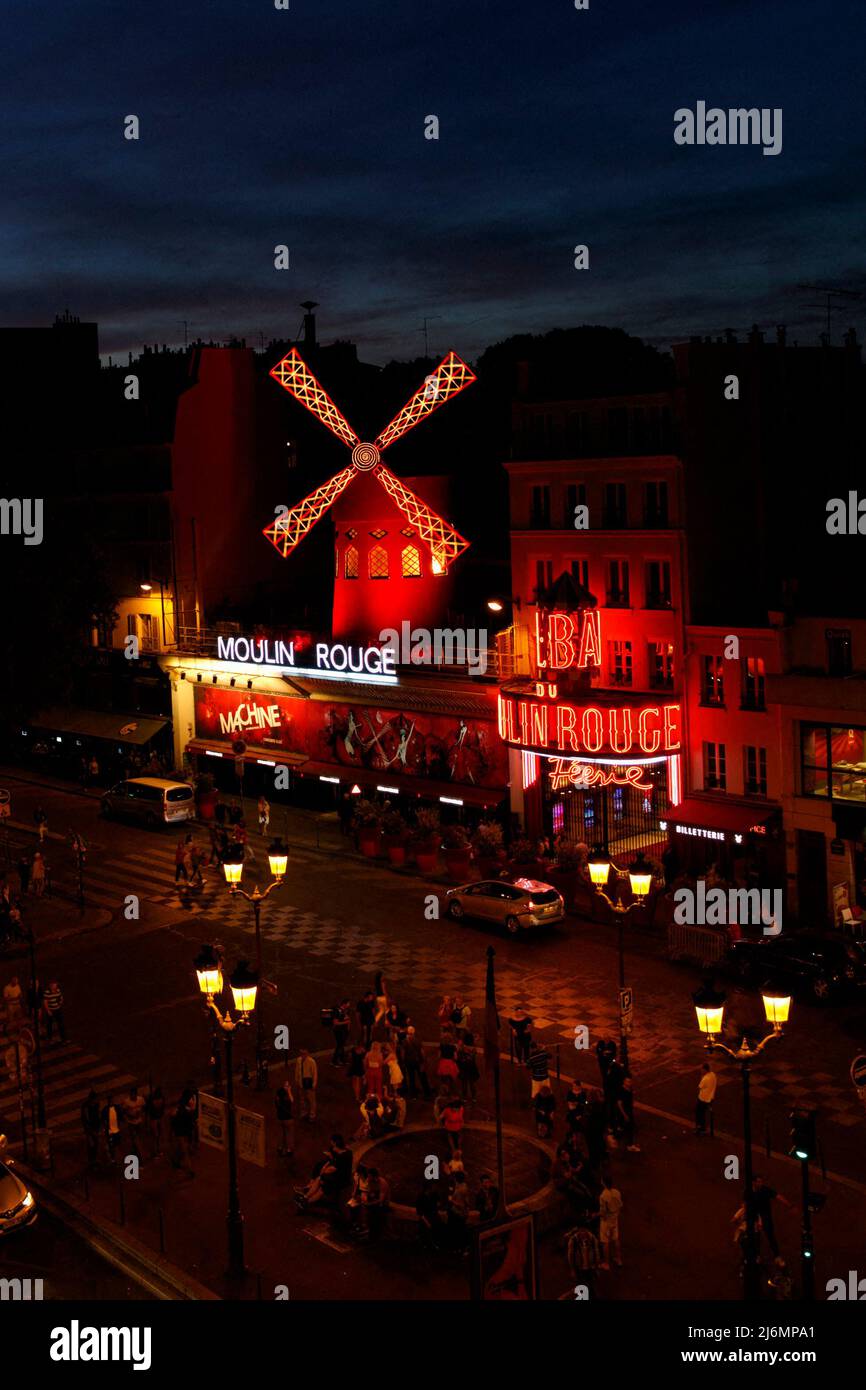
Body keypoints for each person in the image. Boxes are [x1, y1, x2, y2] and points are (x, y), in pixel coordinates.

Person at [294, 1134, 353, 1210]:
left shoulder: (342, 1157)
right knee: (319, 1178)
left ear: (335, 1144)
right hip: (339, 1175)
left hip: (340, 1179)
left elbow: (331, 1169)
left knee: (322, 1187)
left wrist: (323, 1170)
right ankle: (305, 1197)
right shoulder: (347, 1152)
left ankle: (306, 1202)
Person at [567, 1222, 603, 1298]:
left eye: (584, 1231)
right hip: (579, 1268)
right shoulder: (573, 1240)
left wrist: (597, 1267)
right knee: (582, 1286)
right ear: (578, 1230)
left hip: (591, 1267)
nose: (583, 1233)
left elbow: (597, 1253)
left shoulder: (592, 1238)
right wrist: (572, 1269)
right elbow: (570, 1256)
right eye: (581, 1231)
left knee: (592, 1286)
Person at [598, 1177, 624, 1269]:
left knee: (605, 1242)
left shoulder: (603, 1196)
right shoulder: (617, 1192)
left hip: (606, 1221)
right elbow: (620, 1205)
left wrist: (595, 1215)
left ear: (603, 1183)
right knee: (616, 1239)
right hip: (614, 1219)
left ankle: (606, 1263)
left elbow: (603, 1212)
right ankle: (619, 1259)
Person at [402, 1027, 432, 1099]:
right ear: (414, 1032)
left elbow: (403, 1053)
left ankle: (413, 1094)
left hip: (409, 1062)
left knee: (411, 1078)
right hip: (418, 1061)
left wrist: (403, 1061)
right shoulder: (417, 1040)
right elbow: (422, 1052)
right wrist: (424, 1061)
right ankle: (427, 1093)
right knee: (422, 1077)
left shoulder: (405, 1041)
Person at [416, 1183, 443, 1250]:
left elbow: (438, 1205)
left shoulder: (431, 1195)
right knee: (426, 1228)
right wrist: (426, 1222)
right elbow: (420, 1212)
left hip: (431, 1216)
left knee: (434, 1227)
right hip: (427, 1217)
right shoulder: (422, 1197)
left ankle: (431, 1243)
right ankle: (429, 1243)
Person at [617, 1074, 640, 1152]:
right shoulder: (622, 1091)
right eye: (628, 1081)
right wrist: (625, 1115)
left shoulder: (629, 1089)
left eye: (630, 1081)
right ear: (624, 1082)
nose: (629, 1083)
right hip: (626, 1112)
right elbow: (619, 1103)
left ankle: (627, 1143)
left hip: (629, 1111)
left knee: (629, 1128)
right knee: (629, 1129)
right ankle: (629, 1145)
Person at [294, 1048, 318, 1121]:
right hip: (301, 1083)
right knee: (302, 1099)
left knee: (311, 1100)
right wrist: (296, 1080)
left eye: (304, 1053)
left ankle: (312, 1114)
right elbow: (297, 1071)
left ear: (307, 1053)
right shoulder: (298, 1060)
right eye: (301, 1053)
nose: (302, 1055)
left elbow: (315, 1074)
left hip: (308, 1084)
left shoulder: (311, 1062)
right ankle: (303, 1112)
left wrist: (314, 1084)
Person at [123, 1084, 146, 1159]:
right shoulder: (127, 1101)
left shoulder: (140, 1099)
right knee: (134, 1137)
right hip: (131, 1122)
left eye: (134, 1095)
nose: (133, 1097)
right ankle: (136, 1150)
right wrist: (130, 1116)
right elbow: (124, 1111)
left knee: (139, 1136)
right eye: (132, 1095)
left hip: (139, 1121)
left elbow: (143, 1107)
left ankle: (136, 1148)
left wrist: (140, 1114)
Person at [695, 1062, 717, 1136]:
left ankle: (701, 1128)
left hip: (703, 1098)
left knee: (699, 1114)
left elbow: (699, 1087)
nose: (701, 1070)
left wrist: (702, 1077)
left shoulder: (705, 1078)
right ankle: (702, 1128)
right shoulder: (713, 1075)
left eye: (702, 1069)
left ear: (705, 1070)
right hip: (710, 1097)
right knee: (703, 1113)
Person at [81, 1089, 101, 1167]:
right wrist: (88, 1132)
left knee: (95, 1144)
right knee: (91, 1145)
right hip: (90, 1129)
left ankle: (94, 1160)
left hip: (95, 1128)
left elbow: (97, 1115)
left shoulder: (96, 1105)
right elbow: (85, 1119)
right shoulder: (86, 1106)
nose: (97, 1100)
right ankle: (91, 1161)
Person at [274, 1080, 295, 1156]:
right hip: (288, 1118)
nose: (288, 1087)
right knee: (289, 1134)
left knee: (280, 1134)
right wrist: (289, 1091)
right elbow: (292, 1101)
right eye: (287, 1086)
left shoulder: (278, 1093)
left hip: (280, 1117)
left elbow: (276, 1103)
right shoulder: (287, 1095)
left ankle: (280, 1148)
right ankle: (289, 1150)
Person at [457, 1034, 479, 1102]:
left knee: (464, 1083)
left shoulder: (462, 1048)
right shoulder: (474, 1049)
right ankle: (474, 1097)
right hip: (471, 1067)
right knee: (472, 1083)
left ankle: (464, 1097)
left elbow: (459, 1056)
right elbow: (475, 1056)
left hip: (463, 1068)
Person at [146, 1086, 166, 1157]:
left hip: (157, 1118)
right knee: (156, 1135)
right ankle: (155, 1151)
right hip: (155, 1119)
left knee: (157, 1135)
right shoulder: (153, 1099)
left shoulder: (153, 1099)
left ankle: (157, 1150)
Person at [103, 1094, 122, 1164]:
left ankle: (115, 1157)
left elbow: (120, 1116)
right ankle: (113, 1158)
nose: (111, 1101)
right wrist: (106, 1128)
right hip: (110, 1130)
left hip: (116, 1130)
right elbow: (104, 1120)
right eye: (110, 1100)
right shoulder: (105, 1110)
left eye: (112, 1100)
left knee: (116, 1144)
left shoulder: (117, 1108)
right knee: (112, 1145)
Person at [330, 999, 351, 1065]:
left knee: (341, 1046)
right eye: (348, 1003)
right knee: (339, 1046)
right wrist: (346, 1022)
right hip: (338, 1031)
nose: (349, 1005)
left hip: (344, 1031)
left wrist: (347, 1028)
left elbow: (347, 1019)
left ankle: (342, 1060)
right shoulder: (337, 1011)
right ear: (344, 1004)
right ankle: (334, 1061)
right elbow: (335, 1023)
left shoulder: (345, 1011)